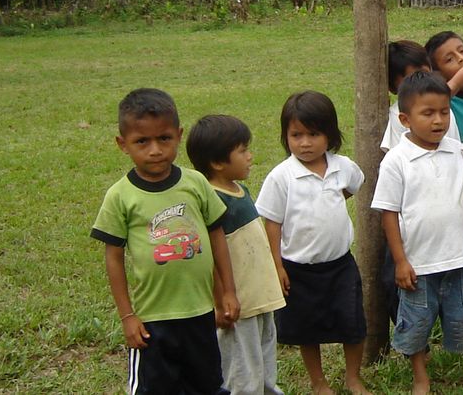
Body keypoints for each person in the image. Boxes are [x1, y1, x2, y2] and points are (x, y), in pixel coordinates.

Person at [91, 88, 238, 395]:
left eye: (164, 138)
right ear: (123, 144)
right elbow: (114, 257)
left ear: (179, 136)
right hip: (152, 321)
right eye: (142, 141)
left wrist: (227, 292)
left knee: (208, 385)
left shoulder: (195, 183)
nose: (155, 149)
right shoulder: (120, 196)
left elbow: (216, 236)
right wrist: (128, 316)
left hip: (200, 314)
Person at [371, 72, 463, 395]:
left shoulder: (456, 151)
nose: (439, 121)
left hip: (460, 259)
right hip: (418, 265)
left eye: (444, 112)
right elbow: (388, 213)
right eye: (428, 113)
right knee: (417, 324)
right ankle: (420, 377)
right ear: (405, 119)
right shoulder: (397, 160)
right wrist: (399, 260)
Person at [255, 92, 369, 395]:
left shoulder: (343, 167)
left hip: (341, 264)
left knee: (353, 323)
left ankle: (353, 378)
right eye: (296, 135)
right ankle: (318, 383)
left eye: (313, 134)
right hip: (299, 269)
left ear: (329, 134)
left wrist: (326, 203)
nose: (305, 143)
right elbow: (272, 222)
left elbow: (352, 188)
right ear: (285, 136)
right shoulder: (281, 178)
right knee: (307, 330)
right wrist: (276, 265)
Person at [187, 115, 286, 395]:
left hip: (260, 298)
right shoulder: (213, 199)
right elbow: (211, 257)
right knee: (242, 373)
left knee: (265, 364)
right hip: (238, 305)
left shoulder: (240, 189)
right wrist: (221, 300)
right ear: (218, 163)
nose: (250, 156)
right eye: (242, 151)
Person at [382, 40, 459, 152]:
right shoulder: (397, 115)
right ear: (393, 88)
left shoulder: (444, 109)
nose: (421, 82)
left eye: (425, 74)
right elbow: (397, 155)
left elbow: (455, 149)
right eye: (411, 79)